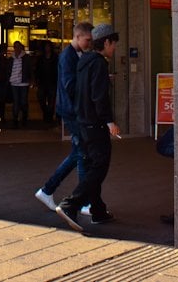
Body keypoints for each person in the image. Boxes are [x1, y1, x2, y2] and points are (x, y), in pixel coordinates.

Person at [55, 23, 121, 231]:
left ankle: (98, 211)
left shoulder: (84, 61)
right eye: (114, 44)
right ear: (107, 42)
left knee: (93, 166)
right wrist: (109, 121)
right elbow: (98, 96)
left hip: (82, 121)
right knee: (99, 167)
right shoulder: (99, 64)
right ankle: (70, 204)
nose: (115, 48)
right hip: (94, 124)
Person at [34, 22, 93, 212]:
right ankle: (81, 201)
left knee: (79, 152)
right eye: (87, 40)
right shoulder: (68, 56)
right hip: (71, 111)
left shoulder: (76, 54)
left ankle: (49, 190)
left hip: (72, 110)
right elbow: (70, 85)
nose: (89, 43)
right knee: (82, 152)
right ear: (77, 37)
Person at [9, 41, 33, 128]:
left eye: (18, 47)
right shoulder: (11, 58)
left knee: (23, 101)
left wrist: (30, 79)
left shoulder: (26, 58)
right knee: (16, 101)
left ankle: (24, 118)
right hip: (14, 82)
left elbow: (30, 68)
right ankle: (15, 119)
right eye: (15, 47)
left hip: (23, 82)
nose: (17, 49)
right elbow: (9, 69)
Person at [35, 40, 58, 124]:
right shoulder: (41, 58)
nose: (47, 48)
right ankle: (46, 113)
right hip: (43, 81)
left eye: (48, 46)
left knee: (51, 101)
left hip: (52, 81)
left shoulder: (55, 57)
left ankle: (49, 116)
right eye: (46, 47)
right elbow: (37, 70)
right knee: (41, 98)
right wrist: (36, 79)